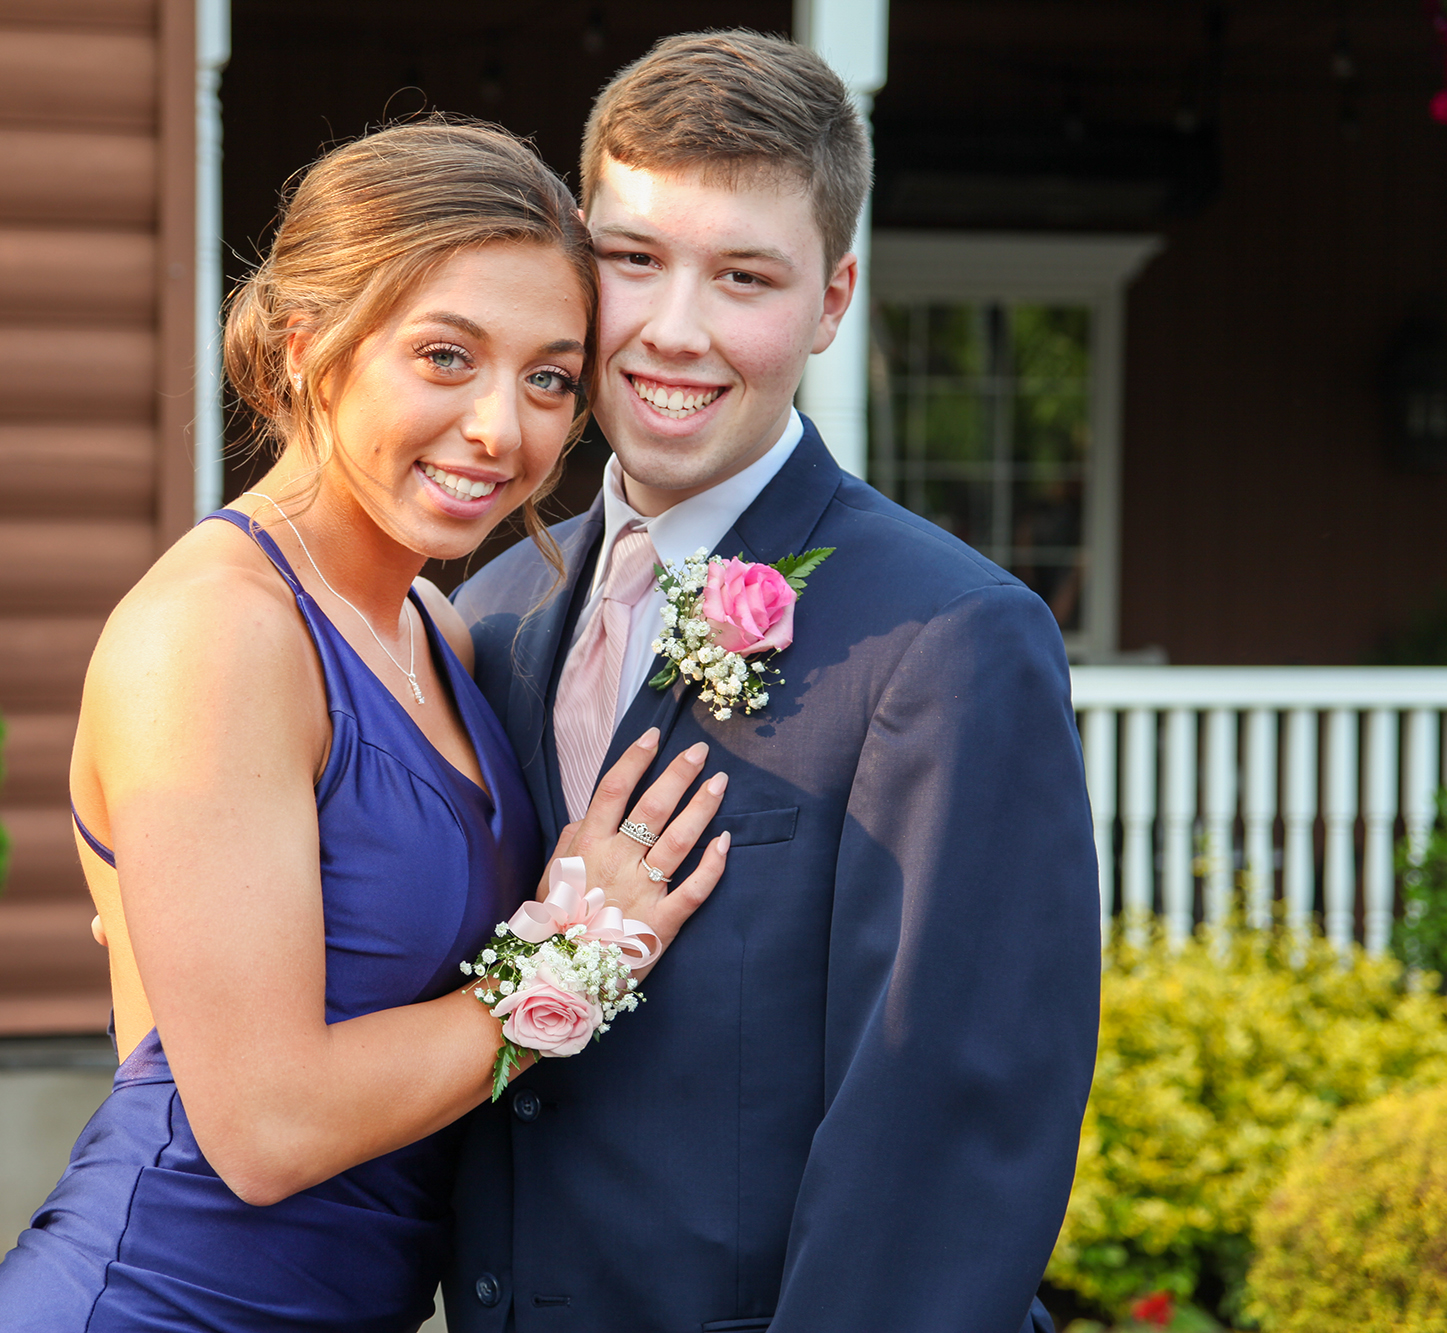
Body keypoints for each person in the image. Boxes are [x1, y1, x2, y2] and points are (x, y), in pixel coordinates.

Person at [0, 120, 731, 1333]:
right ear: (310, 343)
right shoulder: (217, 633)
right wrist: (582, 954)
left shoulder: (441, 629)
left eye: (547, 378)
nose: (498, 428)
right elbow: (265, 1130)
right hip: (150, 1303)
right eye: (443, 355)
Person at [445, 32, 1100, 1333]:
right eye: (634, 260)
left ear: (834, 297)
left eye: (743, 276)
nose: (674, 332)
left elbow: (942, 1144)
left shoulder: (951, 641)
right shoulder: (495, 613)